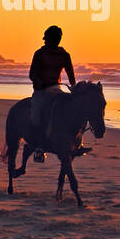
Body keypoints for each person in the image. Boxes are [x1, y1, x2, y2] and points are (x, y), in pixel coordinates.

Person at [28, 26, 76, 158]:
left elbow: (71, 75)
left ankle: (76, 143)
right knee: (36, 115)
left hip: (56, 89)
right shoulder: (39, 54)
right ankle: (38, 147)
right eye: (54, 38)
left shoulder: (65, 55)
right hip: (41, 91)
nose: (56, 40)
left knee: (72, 111)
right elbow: (32, 74)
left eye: (58, 38)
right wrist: (41, 83)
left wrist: (74, 88)